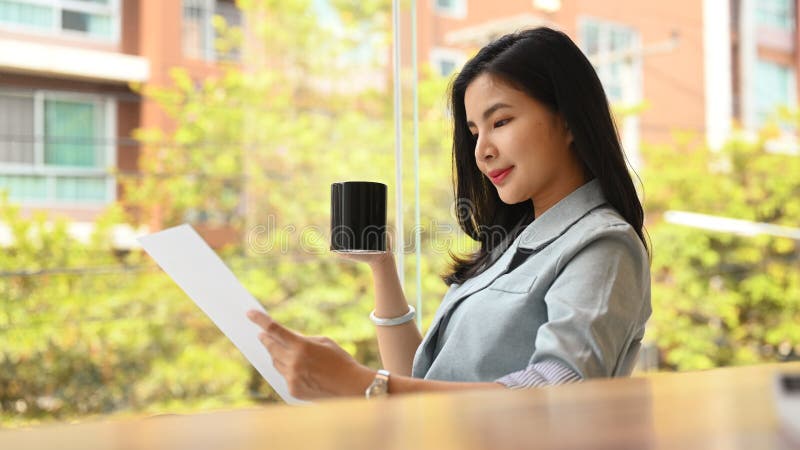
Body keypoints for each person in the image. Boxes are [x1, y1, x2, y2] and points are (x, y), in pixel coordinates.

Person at [247, 26, 651, 400]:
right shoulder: (511, 244)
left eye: (501, 121)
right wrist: (382, 266)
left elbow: (560, 392)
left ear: (568, 122)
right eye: (474, 132)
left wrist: (365, 386)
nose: (481, 151)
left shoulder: (603, 245)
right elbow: (419, 381)